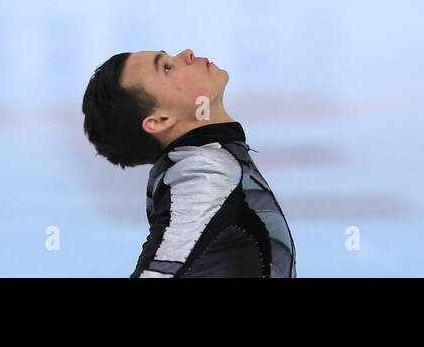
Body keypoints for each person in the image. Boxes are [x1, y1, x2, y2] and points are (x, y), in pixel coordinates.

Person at [82, 48, 296, 278]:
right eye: (166, 67)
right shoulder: (204, 173)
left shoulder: (197, 163)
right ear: (160, 120)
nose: (187, 54)